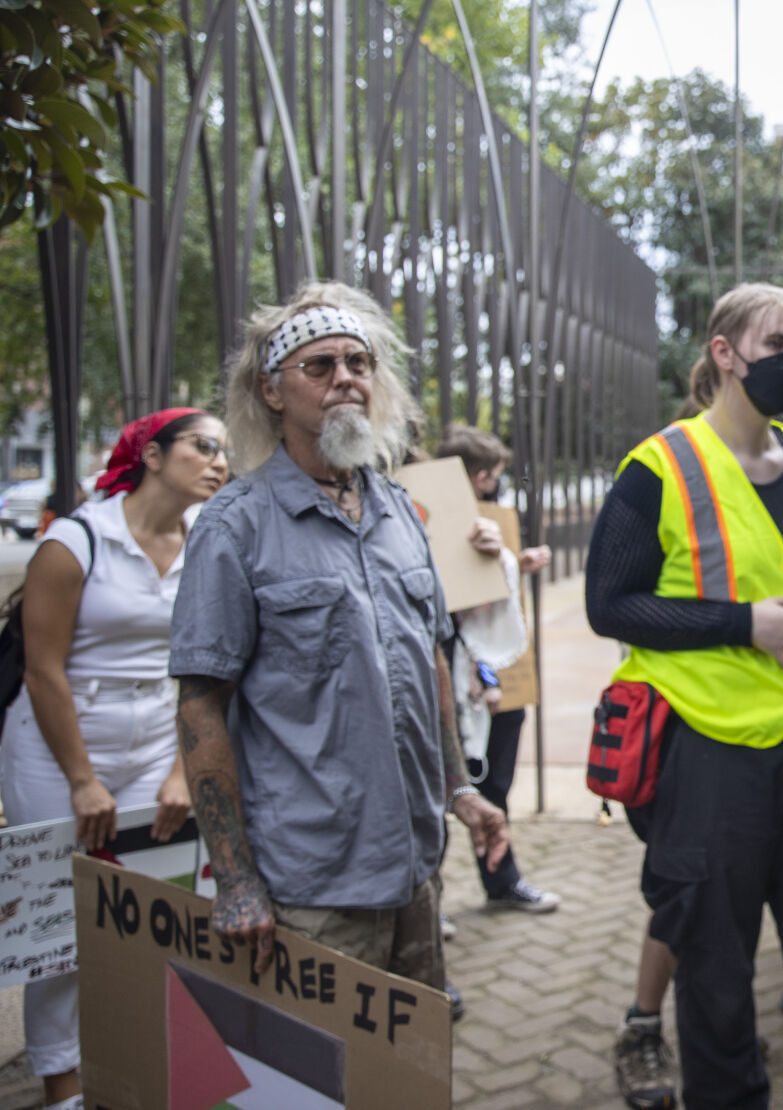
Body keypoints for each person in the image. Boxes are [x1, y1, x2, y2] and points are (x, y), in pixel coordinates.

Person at [168, 281, 509, 1004]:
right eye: (318, 367)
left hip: (416, 862)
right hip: (311, 881)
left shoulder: (397, 509)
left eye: (359, 362)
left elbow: (430, 662)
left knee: (411, 1069)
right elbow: (200, 705)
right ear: (271, 391)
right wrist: (234, 882)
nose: (345, 379)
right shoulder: (235, 527)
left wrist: (459, 790)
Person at [585, 282, 783, 1109]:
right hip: (709, 756)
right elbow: (608, 604)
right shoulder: (660, 466)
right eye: (776, 344)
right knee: (715, 983)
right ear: (724, 353)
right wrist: (737, 623)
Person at [1, 408, 228, 1110]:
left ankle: (150, 1065)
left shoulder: (206, 545)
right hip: (59, 741)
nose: (220, 461)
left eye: (225, 450)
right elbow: (43, 670)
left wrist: (179, 770)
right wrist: (81, 780)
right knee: (64, 923)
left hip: (159, 738)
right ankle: (63, 1086)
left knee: (162, 906)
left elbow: (203, 671)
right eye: (204, 446)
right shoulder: (76, 541)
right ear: (153, 456)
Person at [433, 424, 560, 919]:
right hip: (448, 679)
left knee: (495, 783)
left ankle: (501, 880)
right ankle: (430, 900)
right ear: (480, 477)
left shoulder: (490, 523)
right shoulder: (414, 521)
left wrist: (512, 564)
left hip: (493, 678)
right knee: (436, 793)